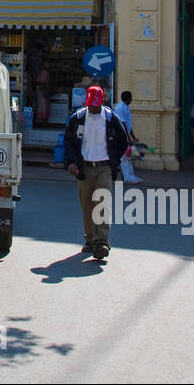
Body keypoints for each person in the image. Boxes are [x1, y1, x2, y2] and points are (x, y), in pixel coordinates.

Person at [63, 85, 130, 260]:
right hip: (84, 167)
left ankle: (101, 241)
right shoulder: (77, 118)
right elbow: (68, 142)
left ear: (102, 102)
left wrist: (114, 160)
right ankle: (90, 239)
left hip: (104, 167)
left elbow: (123, 140)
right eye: (90, 105)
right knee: (87, 206)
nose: (93, 108)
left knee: (102, 203)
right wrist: (71, 162)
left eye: (96, 105)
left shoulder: (110, 118)